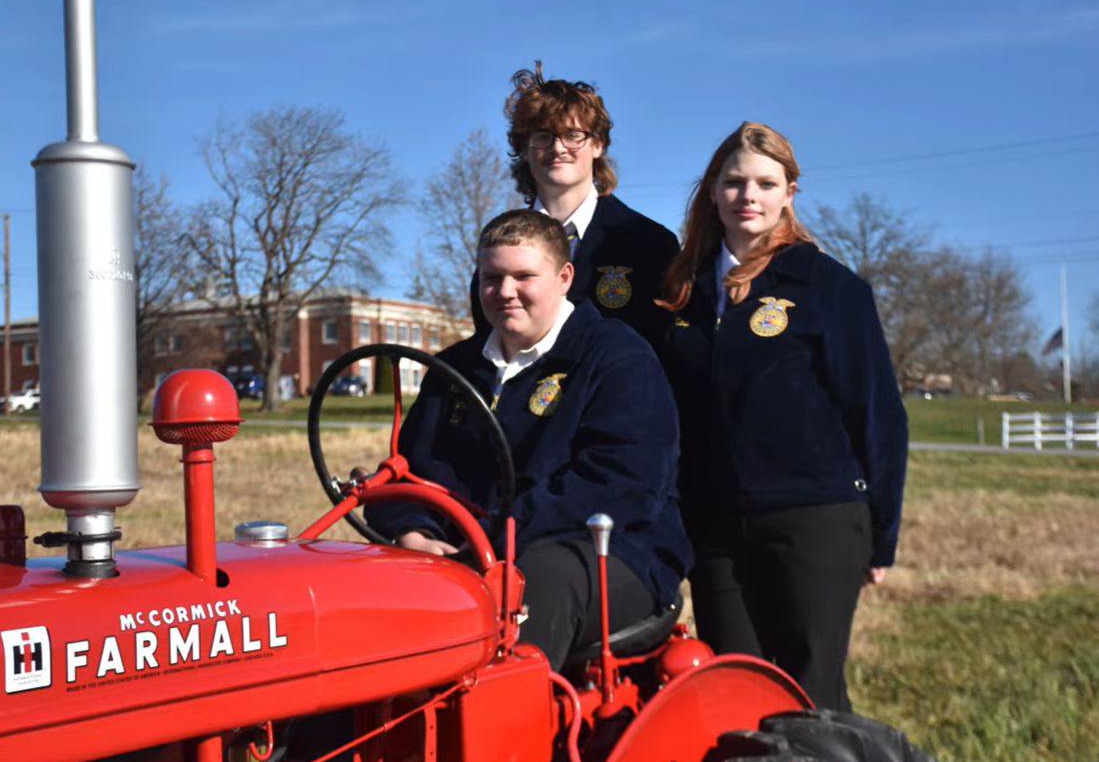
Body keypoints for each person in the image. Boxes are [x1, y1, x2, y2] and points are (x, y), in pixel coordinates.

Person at [370, 209, 692, 672]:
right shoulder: (454, 369)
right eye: (491, 278)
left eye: (523, 277)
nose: (505, 292)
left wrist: (495, 537)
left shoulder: (617, 357)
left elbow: (623, 483)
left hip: (611, 552)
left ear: (564, 278)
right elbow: (412, 469)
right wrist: (414, 532)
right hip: (473, 552)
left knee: (537, 579)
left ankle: (503, 714)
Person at [658, 122, 908, 711]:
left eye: (766, 183)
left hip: (814, 519)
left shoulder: (828, 288)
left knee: (810, 697)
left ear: (789, 193)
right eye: (734, 182)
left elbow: (878, 416)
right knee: (736, 694)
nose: (748, 195)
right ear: (712, 191)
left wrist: (882, 536)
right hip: (716, 530)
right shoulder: (682, 292)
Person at [469, 62, 679, 350]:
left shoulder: (650, 243)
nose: (558, 148)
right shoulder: (497, 248)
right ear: (524, 148)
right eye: (543, 136)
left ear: (598, 145)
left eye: (572, 135)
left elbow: (663, 353)